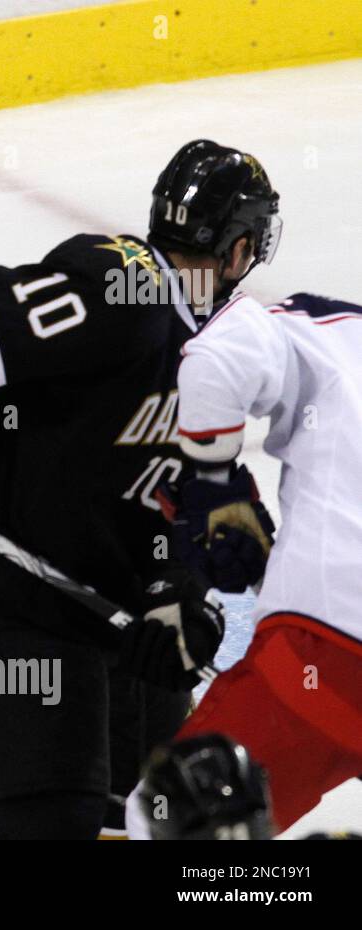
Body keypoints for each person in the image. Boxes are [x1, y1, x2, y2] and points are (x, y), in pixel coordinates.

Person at [0, 140, 281, 838]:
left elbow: (187, 488)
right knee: (55, 829)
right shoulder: (121, 290)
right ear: (240, 246)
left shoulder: (217, 343)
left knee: (159, 823)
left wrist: (179, 588)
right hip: (17, 605)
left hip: (119, 619)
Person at [126, 287, 362, 837]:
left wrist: (214, 486)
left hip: (328, 653)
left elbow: (214, 361)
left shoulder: (330, 328)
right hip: (329, 643)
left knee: (168, 813)